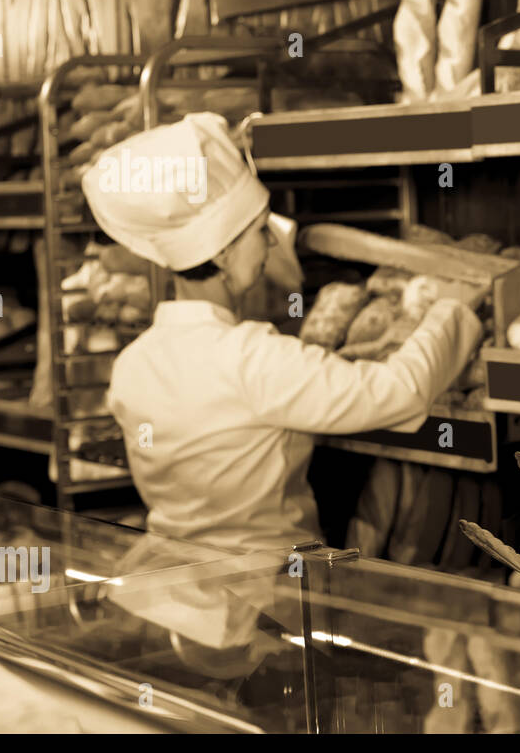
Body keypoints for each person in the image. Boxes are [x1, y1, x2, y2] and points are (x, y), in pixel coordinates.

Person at [81, 112, 484, 556]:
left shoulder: (132, 365)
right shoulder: (251, 358)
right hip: (261, 597)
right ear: (223, 251)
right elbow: (396, 393)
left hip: (170, 583)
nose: (271, 245)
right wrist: (453, 307)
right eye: (261, 232)